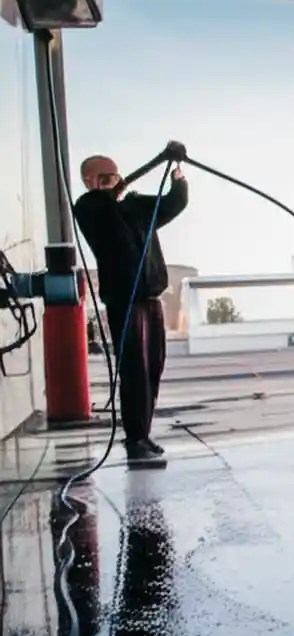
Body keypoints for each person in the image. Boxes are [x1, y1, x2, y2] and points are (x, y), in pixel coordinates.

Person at [73, 153, 189, 462]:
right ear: (89, 182)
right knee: (134, 369)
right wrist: (111, 188)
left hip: (151, 299)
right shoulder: (89, 208)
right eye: (105, 176)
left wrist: (178, 176)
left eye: (115, 174)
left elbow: (171, 205)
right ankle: (135, 438)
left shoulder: (136, 207)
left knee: (153, 366)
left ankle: (144, 434)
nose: (114, 179)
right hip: (124, 302)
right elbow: (103, 206)